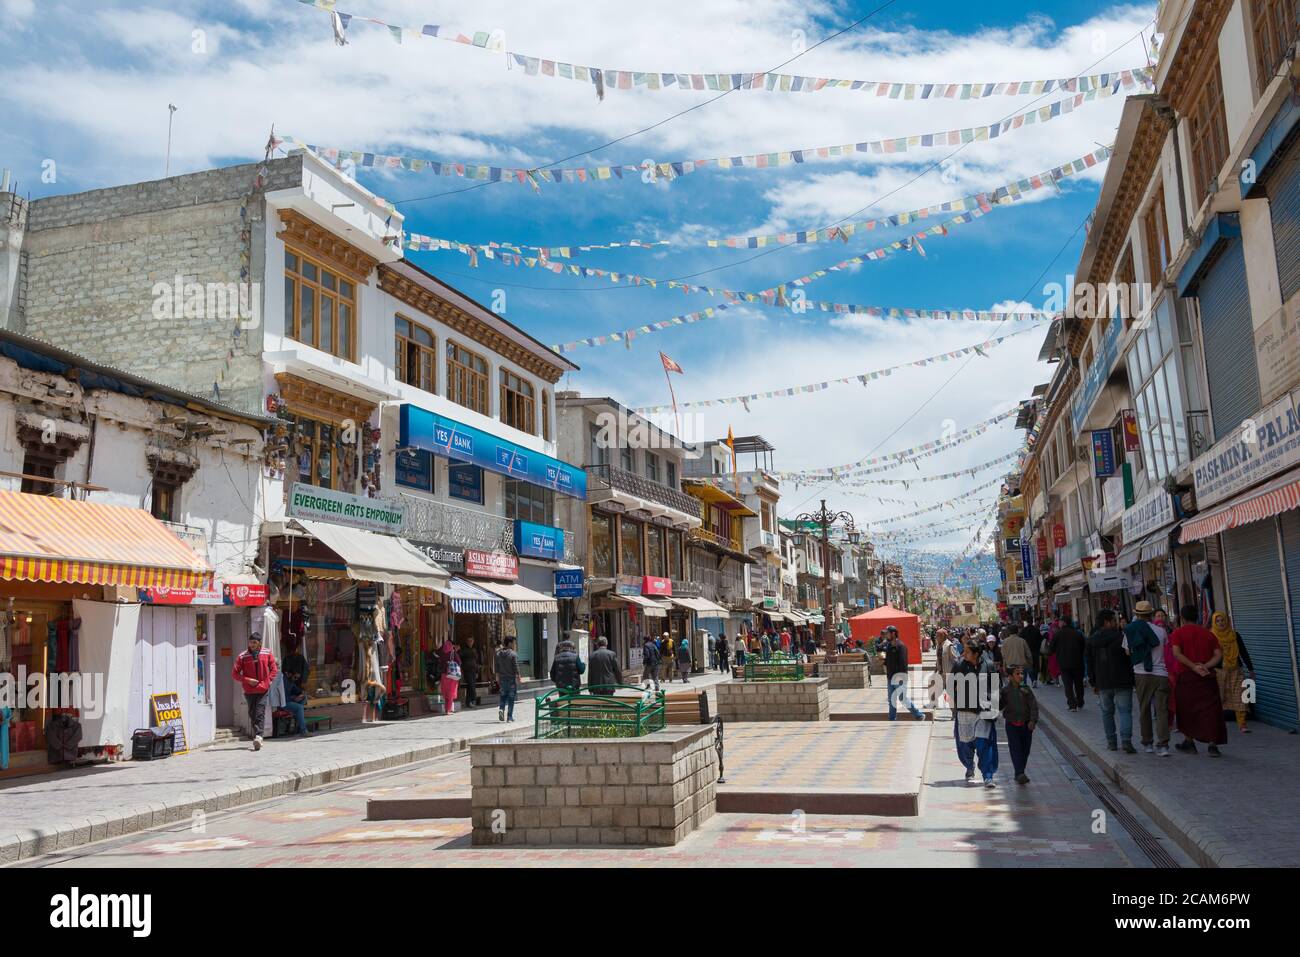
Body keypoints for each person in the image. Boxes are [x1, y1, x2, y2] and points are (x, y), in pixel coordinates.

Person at [1170, 605, 1227, 756]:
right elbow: (1218, 655)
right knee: (1210, 710)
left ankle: (1189, 741)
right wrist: (1205, 666)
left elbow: (1176, 653)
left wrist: (1193, 667)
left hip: (1187, 677)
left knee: (1187, 710)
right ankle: (1213, 744)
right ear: (1198, 617)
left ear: (1181, 618)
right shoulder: (1208, 634)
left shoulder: (1178, 633)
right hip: (1207, 678)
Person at [1125, 600, 1171, 756]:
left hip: (1141, 673)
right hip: (1161, 674)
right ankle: (1163, 745)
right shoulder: (1161, 631)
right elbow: (1165, 647)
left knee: (1144, 709)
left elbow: (1127, 651)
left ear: (1137, 614)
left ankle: (1148, 743)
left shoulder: (1130, 630)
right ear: (1151, 614)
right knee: (1162, 710)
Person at [1087, 609, 1136, 753]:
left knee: (1107, 712)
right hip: (1123, 680)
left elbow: (1089, 662)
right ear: (1107, 622)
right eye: (1114, 620)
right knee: (1125, 711)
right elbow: (1129, 659)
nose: (1117, 623)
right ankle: (1126, 741)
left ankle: (1111, 742)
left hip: (1103, 682)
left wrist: (1093, 681)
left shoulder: (1092, 641)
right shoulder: (1121, 637)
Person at [952, 638, 999, 787]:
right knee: (965, 745)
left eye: (966, 651)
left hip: (984, 712)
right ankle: (969, 765)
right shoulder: (959, 666)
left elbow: (996, 688)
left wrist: (995, 709)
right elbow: (950, 685)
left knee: (984, 744)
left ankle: (988, 775)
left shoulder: (989, 666)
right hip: (965, 711)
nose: (963, 653)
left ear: (976, 653)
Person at [1210, 612, 1255, 734]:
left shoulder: (1235, 635)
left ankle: (1242, 724)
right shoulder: (1211, 636)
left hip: (1236, 670)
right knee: (1219, 697)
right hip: (1219, 671)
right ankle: (1217, 722)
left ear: (1227, 621)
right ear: (1214, 622)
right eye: (1218, 621)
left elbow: (1243, 652)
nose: (1221, 623)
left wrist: (1250, 669)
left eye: (1223, 620)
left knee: (1240, 696)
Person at [232, 632, 278, 750]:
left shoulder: (267, 653)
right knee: (252, 714)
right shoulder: (243, 656)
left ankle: (258, 736)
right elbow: (235, 674)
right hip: (249, 690)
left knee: (259, 712)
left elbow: (274, 669)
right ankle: (258, 735)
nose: (252, 645)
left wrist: (267, 682)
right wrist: (247, 680)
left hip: (263, 689)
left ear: (259, 643)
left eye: (254, 642)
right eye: (250, 642)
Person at [1000, 665, 1038, 784]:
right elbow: (1000, 705)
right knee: (1015, 749)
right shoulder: (1006, 691)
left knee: (1025, 750)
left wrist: (1032, 720)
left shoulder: (1026, 689)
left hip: (1026, 725)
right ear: (1010, 677)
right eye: (1017, 674)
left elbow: (1033, 706)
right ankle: (1019, 773)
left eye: (1022, 673)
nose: (1021, 676)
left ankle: (1020, 771)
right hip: (1011, 725)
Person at [884, 627, 925, 720]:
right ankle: (892, 719)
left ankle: (919, 715)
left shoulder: (901, 646)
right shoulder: (889, 646)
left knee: (903, 699)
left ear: (893, 633)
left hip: (899, 678)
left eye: (888, 633)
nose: (886, 635)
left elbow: (903, 664)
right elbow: (888, 661)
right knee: (891, 700)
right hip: (890, 677)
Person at [1053, 617, 1087, 710]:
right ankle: (1080, 702)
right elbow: (1084, 647)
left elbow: (1051, 648)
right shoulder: (1077, 633)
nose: (1058, 623)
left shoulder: (1057, 634)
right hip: (1078, 663)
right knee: (1078, 684)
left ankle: (1072, 705)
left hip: (1064, 664)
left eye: (1060, 622)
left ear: (1063, 623)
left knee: (1068, 685)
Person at [495, 636, 520, 722]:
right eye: (513, 642)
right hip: (511, 679)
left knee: (502, 696)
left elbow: (496, 667)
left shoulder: (498, 654)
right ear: (509, 643)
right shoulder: (513, 654)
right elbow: (516, 667)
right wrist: (518, 677)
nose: (514, 644)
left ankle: (501, 709)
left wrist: (497, 677)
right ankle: (509, 717)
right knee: (511, 698)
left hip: (502, 679)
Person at [437, 637, 462, 715]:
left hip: (444, 675)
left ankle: (447, 708)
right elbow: (459, 662)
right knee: (450, 693)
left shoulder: (441, 652)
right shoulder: (452, 652)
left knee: (446, 693)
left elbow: (439, 661)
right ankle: (448, 710)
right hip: (451, 675)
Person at [1021, 618, 1043, 686]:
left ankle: (1030, 680)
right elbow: (1040, 640)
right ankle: (1035, 680)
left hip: (1027, 651)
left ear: (1027, 622)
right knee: (1035, 666)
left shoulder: (1024, 630)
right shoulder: (1036, 629)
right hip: (1035, 651)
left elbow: (1021, 639)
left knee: (1028, 666)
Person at [460, 640, 480, 709]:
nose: (470, 642)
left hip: (473, 670)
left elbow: (476, 661)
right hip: (467, 670)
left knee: (470, 686)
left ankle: (468, 702)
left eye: (471, 641)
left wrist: (477, 671)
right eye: (469, 641)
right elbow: (460, 657)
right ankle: (473, 699)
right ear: (467, 642)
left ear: (473, 642)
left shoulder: (474, 650)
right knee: (471, 685)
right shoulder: (464, 650)